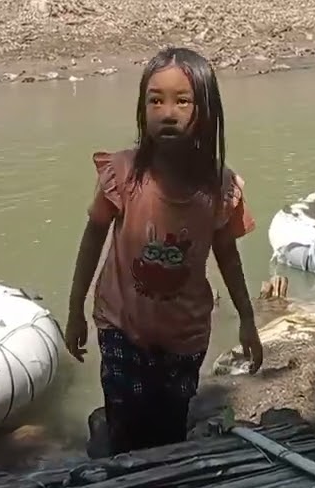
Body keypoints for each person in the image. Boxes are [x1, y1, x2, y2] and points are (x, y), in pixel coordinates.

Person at [64, 46, 263, 455]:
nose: (167, 112)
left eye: (182, 101)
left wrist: (246, 318)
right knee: (126, 420)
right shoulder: (121, 175)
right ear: (142, 108)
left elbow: (227, 255)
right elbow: (93, 238)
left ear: (206, 111)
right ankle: (112, 447)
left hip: (185, 334)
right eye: (155, 100)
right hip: (122, 323)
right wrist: (74, 311)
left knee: (169, 427)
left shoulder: (221, 189)